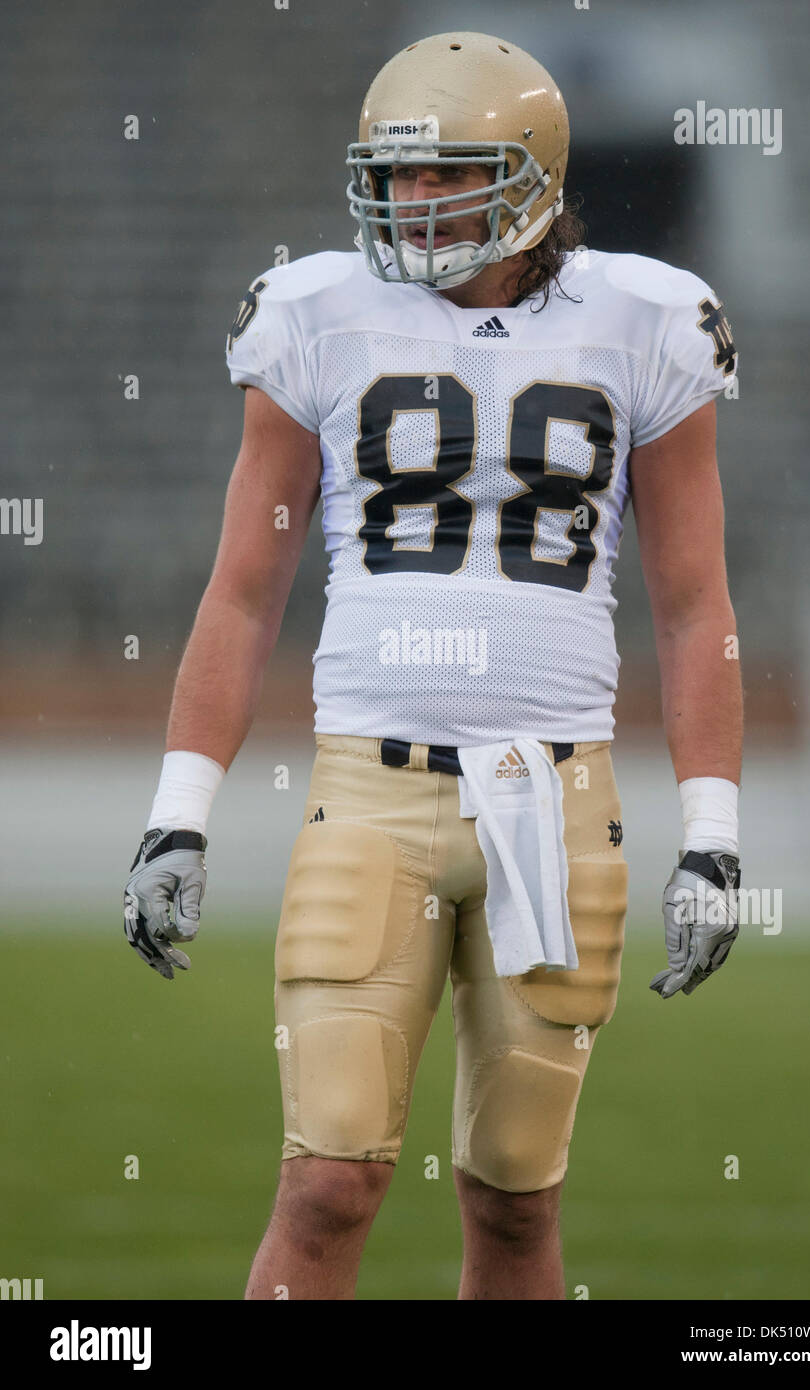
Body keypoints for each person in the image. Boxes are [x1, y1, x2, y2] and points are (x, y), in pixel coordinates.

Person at [123, 31, 743, 1300]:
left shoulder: (644, 318)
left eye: (442, 173)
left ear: (529, 175)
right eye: (392, 175)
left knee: (514, 1203)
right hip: (372, 792)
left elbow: (693, 608)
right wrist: (175, 819)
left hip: (556, 801)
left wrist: (714, 834)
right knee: (329, 1176)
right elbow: (243, 594)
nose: (409, 202)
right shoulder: (315, 313)